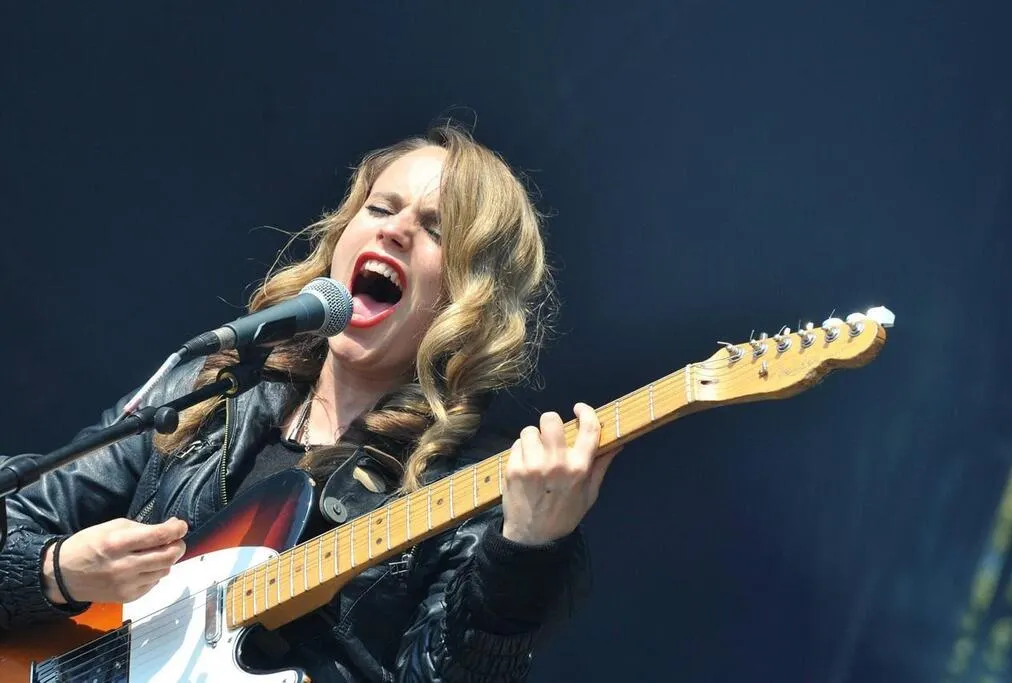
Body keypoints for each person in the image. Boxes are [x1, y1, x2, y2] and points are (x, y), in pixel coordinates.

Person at [0, 124, 622, 681]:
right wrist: (57, 571)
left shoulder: (473, 492)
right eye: (381, 207)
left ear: (470, 300)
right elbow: (17, 517)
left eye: (436, 229)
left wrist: (524, 553)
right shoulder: (204, 395)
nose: (397, 229)